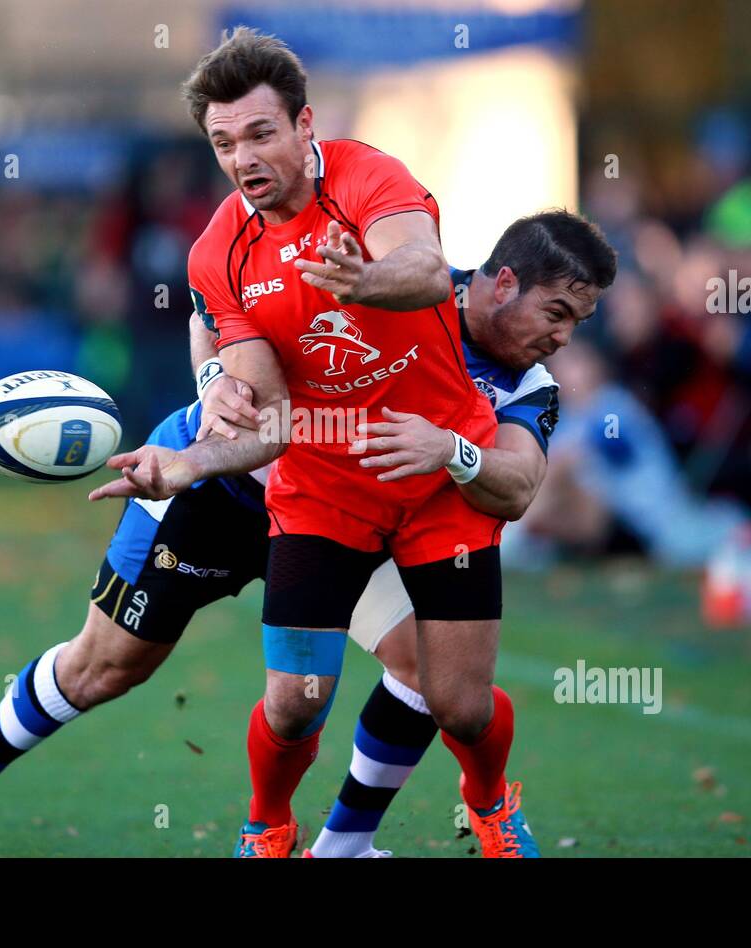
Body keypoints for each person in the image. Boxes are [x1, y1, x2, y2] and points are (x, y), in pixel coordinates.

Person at [94, 27, 611, 858]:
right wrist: (186, 454)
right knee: (296, 699)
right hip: (323, 485)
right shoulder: (218, 249)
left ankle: (484, 803)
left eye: (260, 133)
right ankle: (268, 827)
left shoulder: (372, 178)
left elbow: (421, 267)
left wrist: (369, 293)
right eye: (223, 142)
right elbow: (260, 407)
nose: (242, 156)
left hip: (438, 497)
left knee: (461, 706)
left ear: (305, 127)